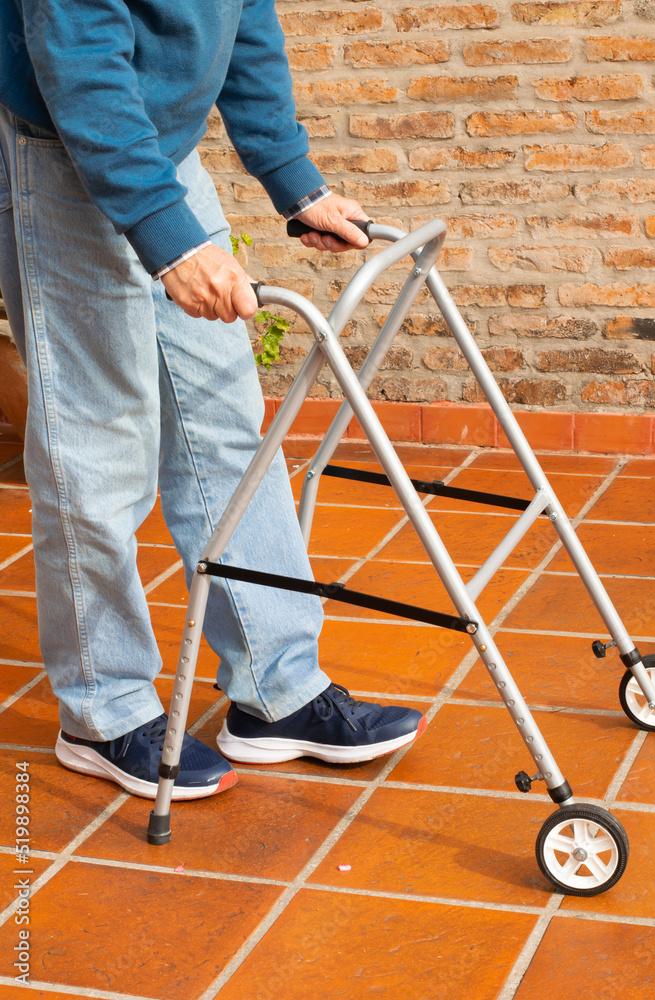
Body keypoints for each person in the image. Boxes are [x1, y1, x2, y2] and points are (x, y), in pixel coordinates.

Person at [0, 0, 425, 800]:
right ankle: (101, 711)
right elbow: (82, 67)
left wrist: (291, 176)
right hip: (64, 148)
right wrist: (169, 238)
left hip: (163, 156)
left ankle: (277, 690)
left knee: (225, 431)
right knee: (98, 448)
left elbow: (245, 19)